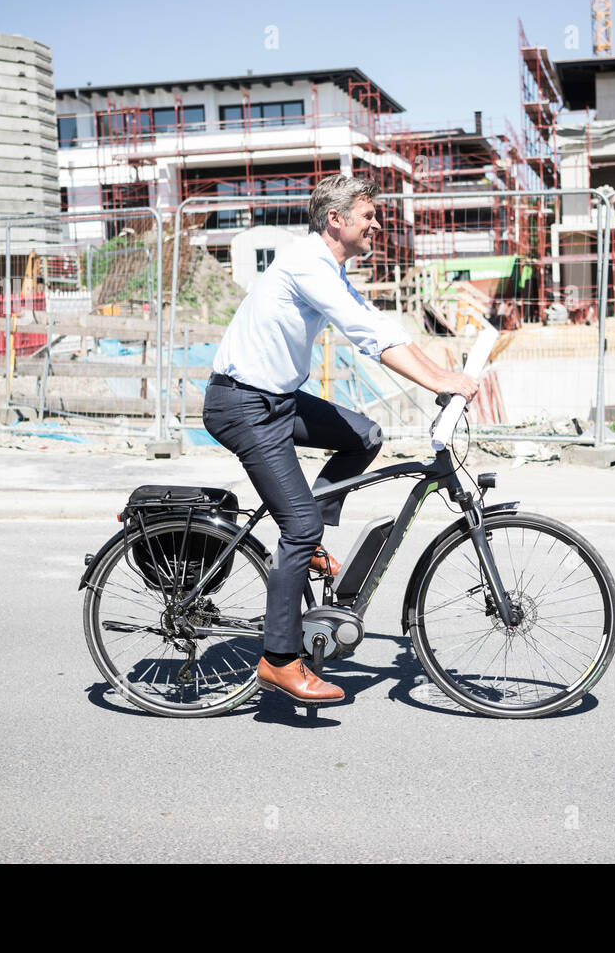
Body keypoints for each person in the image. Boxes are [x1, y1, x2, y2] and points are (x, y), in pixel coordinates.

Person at [203, 174, 479, 705]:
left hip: (275, 399)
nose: (377, 223)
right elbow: (364, 333)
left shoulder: (325, 265)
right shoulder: (308, 263)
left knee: (363, 435)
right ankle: (279, 659)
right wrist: (441, 383)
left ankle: (307, 546)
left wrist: (442, 372)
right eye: (368, 214)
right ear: (336, 220)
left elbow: (382, 325)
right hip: (243, 405)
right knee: (299, 522)